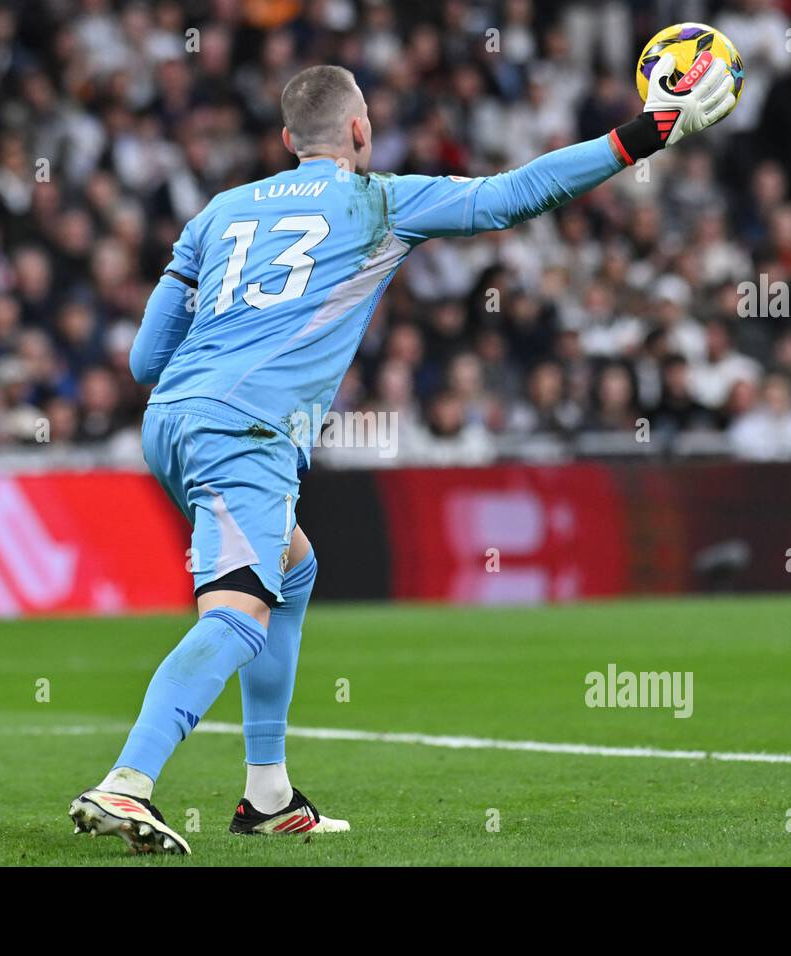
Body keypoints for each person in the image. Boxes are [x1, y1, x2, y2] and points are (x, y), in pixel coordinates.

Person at [68, 56, 737, 854]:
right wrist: (646, 132)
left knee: (292, 570)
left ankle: (267, 793)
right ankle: (128, 783)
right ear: (360, 129)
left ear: (287, 140)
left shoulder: (217, 213)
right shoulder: (380, 200)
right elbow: (511, 197)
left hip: (170, 420)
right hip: (245, 428)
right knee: (239, 613)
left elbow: (145, 359)